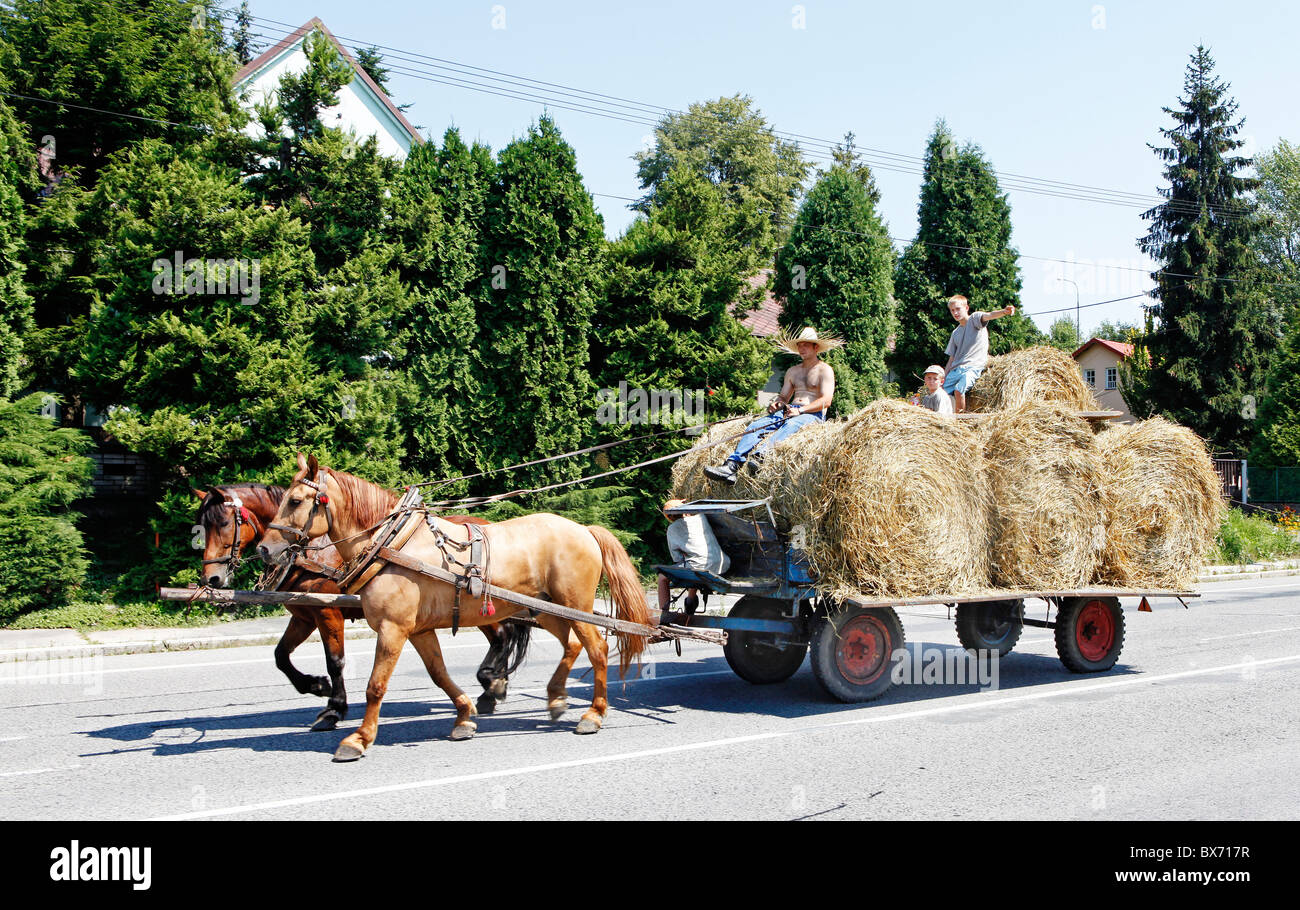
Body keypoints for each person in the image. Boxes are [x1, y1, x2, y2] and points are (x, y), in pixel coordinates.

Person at [704, 327, 840, 485]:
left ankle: (762, 455)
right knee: (756, 426)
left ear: (815, 347)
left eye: (805, 345)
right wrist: (777, 404)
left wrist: (800, 410)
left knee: (792, 424)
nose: (801, 348)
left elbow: (826, 401)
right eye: (799, 345)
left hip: (812, 415)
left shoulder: (825, 370)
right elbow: (783, 396)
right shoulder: (793, 371)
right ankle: (732, 466)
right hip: (791, 411)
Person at [942, 295, 1016, 413]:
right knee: (939, 395)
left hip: (973, 367)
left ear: (966, 308)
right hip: (955, 370)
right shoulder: (955, 333)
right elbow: (951, 358)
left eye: (958, 309)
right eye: (952, 310)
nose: (955, 312)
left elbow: (990, 315)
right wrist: (943, 377)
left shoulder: (974, 319)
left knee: (959, 390)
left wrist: (1004, 312)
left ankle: (959, 422)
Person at [657, 498, 730, 613]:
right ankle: (690, 601)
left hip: (701, 567)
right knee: (694, 564)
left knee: (662, 577)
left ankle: (663, 613)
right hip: (723, 563)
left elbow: (676, 558)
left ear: (669, 517)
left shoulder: (672, 529)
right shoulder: (701, 517)